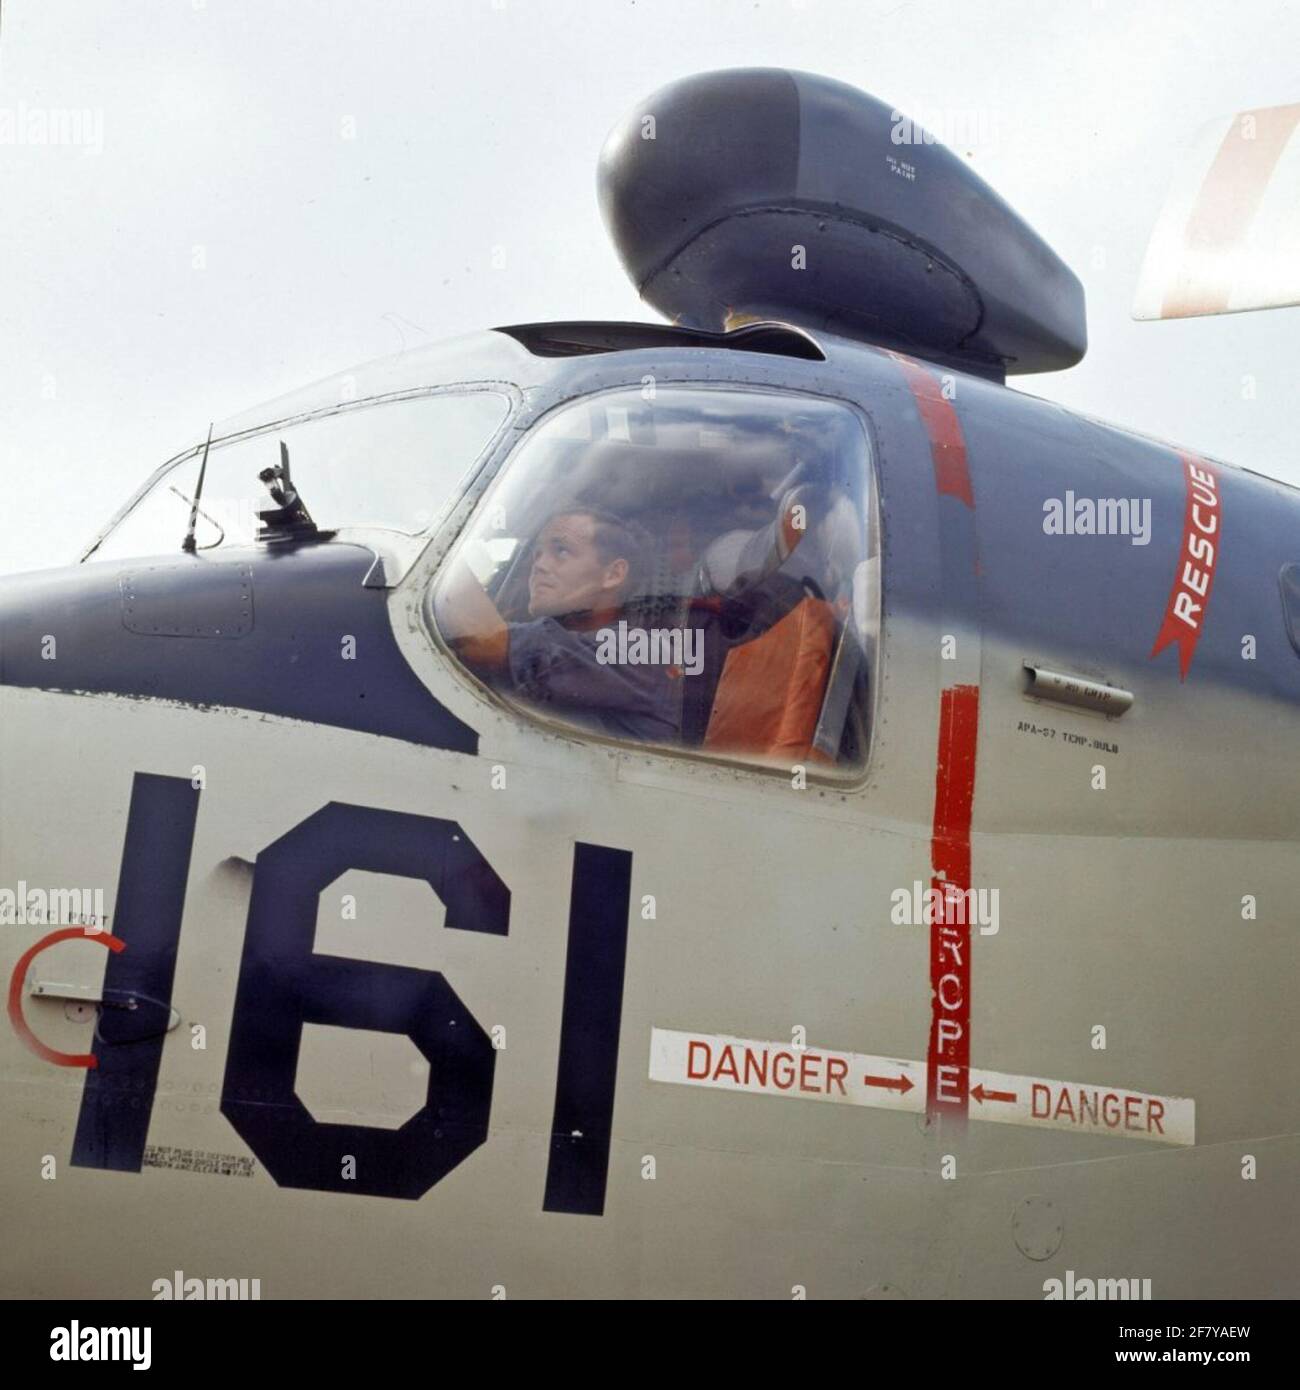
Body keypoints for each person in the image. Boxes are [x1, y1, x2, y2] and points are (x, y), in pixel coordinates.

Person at [438, 507, 680, 743]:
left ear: (613, 575)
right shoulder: (559, 643)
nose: (539, 565)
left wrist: (435, 547)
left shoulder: (641, 656)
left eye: (561, 551)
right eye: (537, 554)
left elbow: (481, 640)